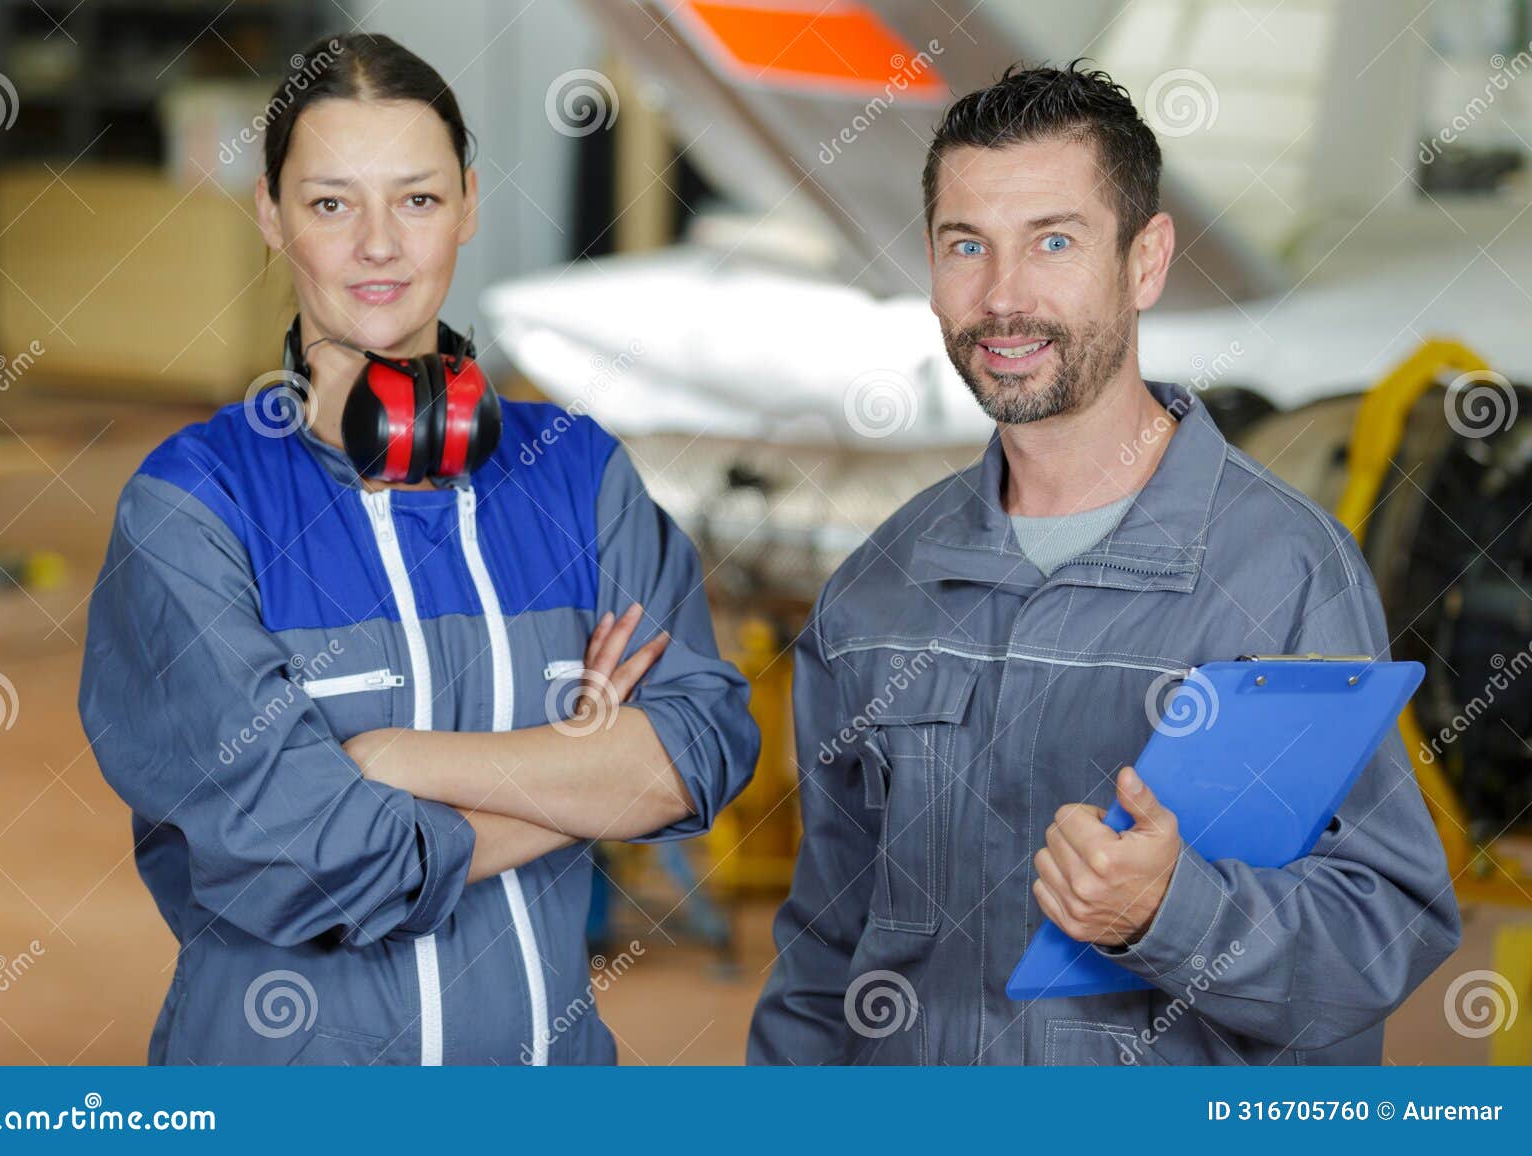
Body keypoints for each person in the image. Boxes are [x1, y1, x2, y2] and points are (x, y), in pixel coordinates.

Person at [748, 61, 1460, 1065]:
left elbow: (1383, 928)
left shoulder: (1281, 573)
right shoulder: (881, 585)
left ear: (1144, 259)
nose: (1001, 297)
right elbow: (825, 950)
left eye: (1052, 241)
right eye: (966, 246)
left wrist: (1174, 911)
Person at [78, 32, 758, 1066]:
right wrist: (587, 776)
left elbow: (700, 751)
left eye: (419, 199)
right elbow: (316, 856)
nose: (379, 245)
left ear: (470, 205)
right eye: (330, 202)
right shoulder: (192, 510)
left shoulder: (576, 476)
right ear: (270, 215)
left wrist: (397, 762)